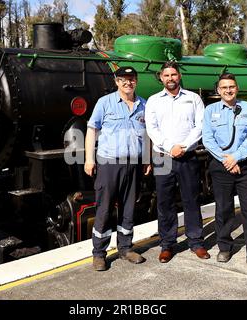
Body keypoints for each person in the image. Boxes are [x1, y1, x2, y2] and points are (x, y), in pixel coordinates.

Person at [202, 73, 247, 270]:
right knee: (223, 208)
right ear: (218, 90)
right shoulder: (210, 110)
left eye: (231, 86)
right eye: (224, 87)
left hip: (245, 164)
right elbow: (207, 139)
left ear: (237, 88)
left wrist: (236, 157)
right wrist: (227, 159)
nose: (228, 90)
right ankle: (224, 247)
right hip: (220, 163)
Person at [85, 66, 151, 271]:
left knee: (129, 208)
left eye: (131, 79)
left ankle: (125, 248)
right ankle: (99, 253)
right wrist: (89, 159)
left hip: (134, 164)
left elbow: (148, 134)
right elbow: (91, 130)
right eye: (123, 79)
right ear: (116, 81)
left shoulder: (144, 105)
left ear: (136, 81)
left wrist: (147, 159)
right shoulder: (105, 103)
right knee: (104, 209)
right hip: (109, 163)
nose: (127, 83)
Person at [145, 61, 209, 263]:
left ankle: (196, 242)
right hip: (163, 157)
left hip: (188, 156)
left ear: (179, 76)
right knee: (165, 202)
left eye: (174, 74)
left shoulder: (193, 98)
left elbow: (200, 126)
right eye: (166, 75)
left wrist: (182, 146)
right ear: (161, 78)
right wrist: (169, 147)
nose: (170, 78)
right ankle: (167, 245)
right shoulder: (153, 101)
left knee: (191, 199)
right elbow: (151, 129)